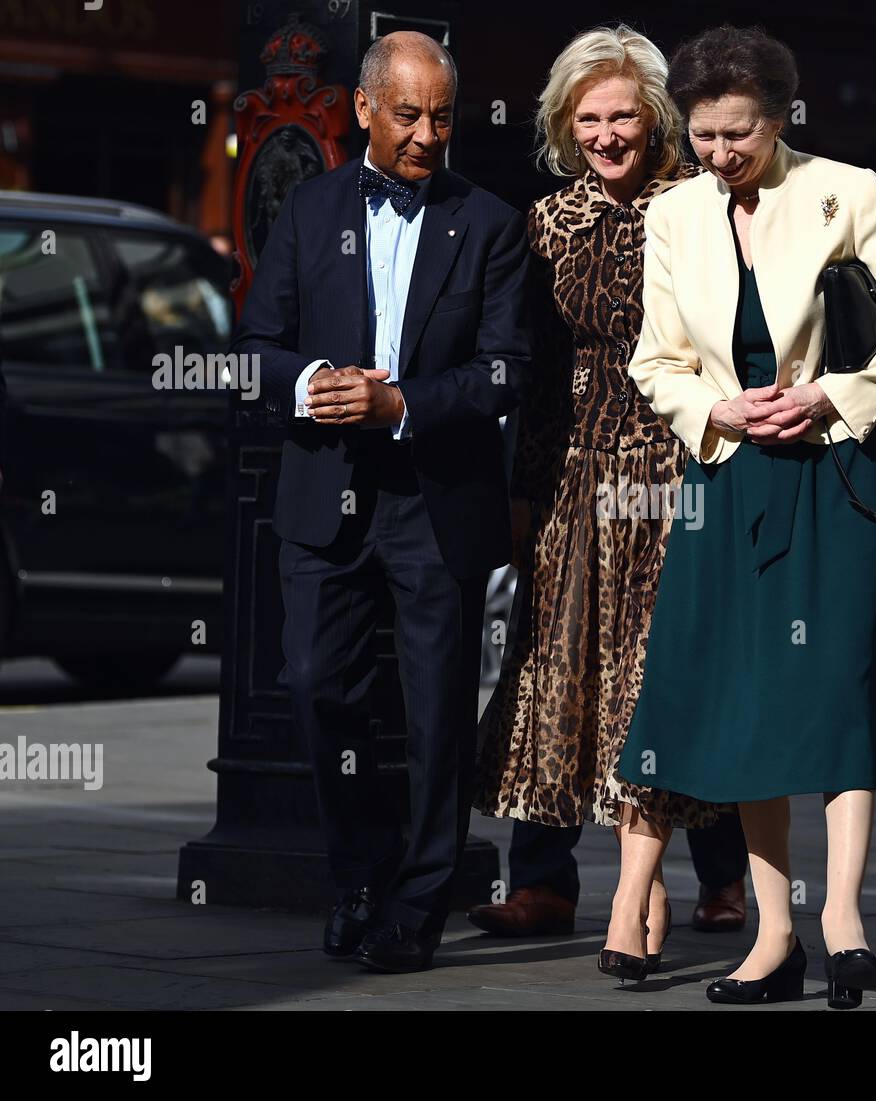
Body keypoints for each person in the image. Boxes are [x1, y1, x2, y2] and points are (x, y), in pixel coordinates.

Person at [615, 25, 876, 1007]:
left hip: (836, 473)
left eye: (738, 135)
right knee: (755, 705)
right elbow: (655, 360)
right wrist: (714, 409)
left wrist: (831, 398)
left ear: (779, 116)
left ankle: (842, 921)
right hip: (729, 477)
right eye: (704, 135)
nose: (719, 153)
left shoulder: (847, 190)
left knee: (839, 691)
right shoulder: (674, 213)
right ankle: (775, 938)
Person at [231, 31, 531, 973]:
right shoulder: (311, 209)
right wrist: (310, 378)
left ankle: (419, 901)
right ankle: (359, 873)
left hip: (434, 496)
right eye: (408, 115)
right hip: (325, 492)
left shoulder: (489, 222)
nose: (427, 135)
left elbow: (505, 371)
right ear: (364, 108)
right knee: (319, 685)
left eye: (442, 116)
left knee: (440, 713)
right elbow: (256, 345)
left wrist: (404, 404)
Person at [472, 24, 747, 966]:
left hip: (678, 471)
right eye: (587, 118)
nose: (606, 135)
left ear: (656, 115)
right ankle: (543, 879)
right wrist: (520, 492)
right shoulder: (547, 222)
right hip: (570, 475)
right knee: (552, 669)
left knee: (666, 675)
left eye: (622, 115)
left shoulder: (708, 207)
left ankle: (718, 873)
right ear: (562, 122)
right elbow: (538, 375)